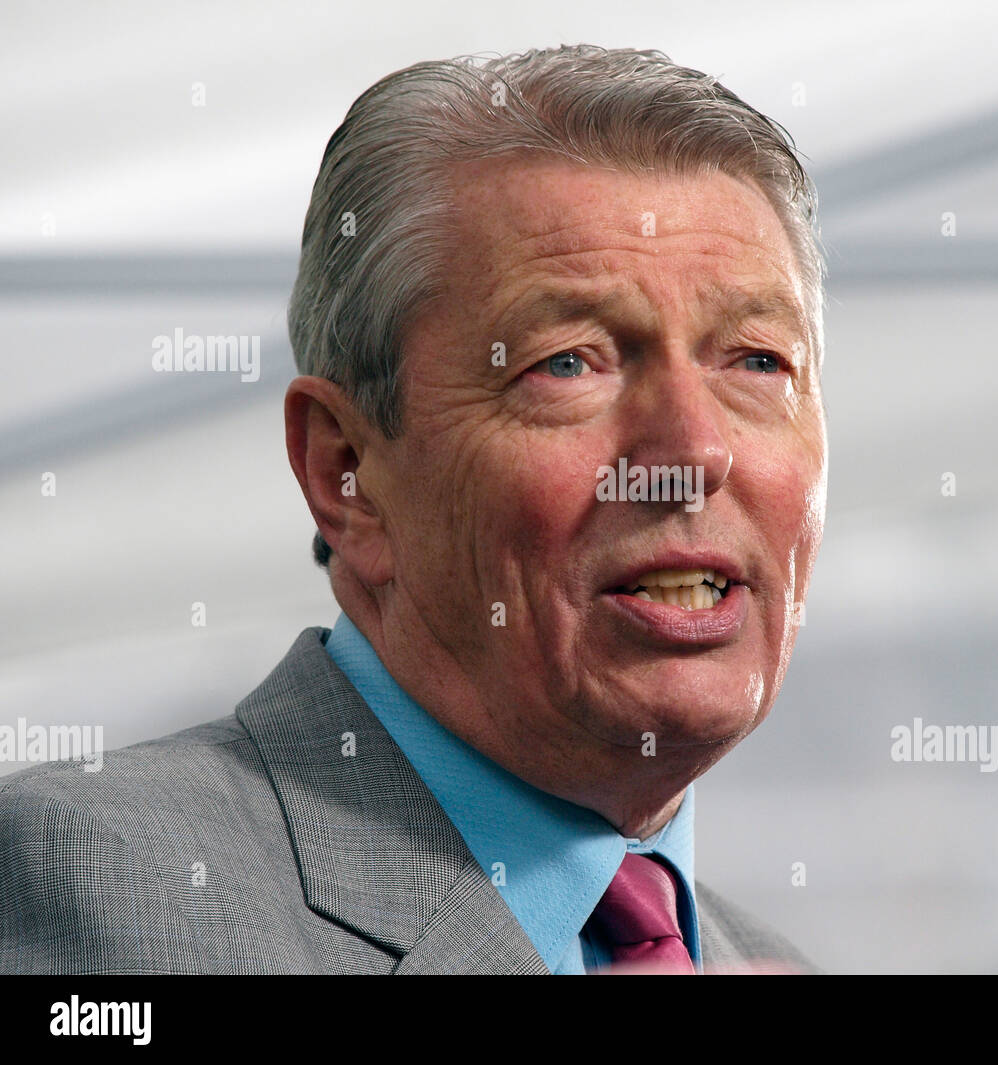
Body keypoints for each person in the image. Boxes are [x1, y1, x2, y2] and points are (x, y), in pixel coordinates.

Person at [0, 44, 827, 975]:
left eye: (758, 361)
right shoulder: (112, 883)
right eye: (567, 363)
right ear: (347, 472)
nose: (693, 454)